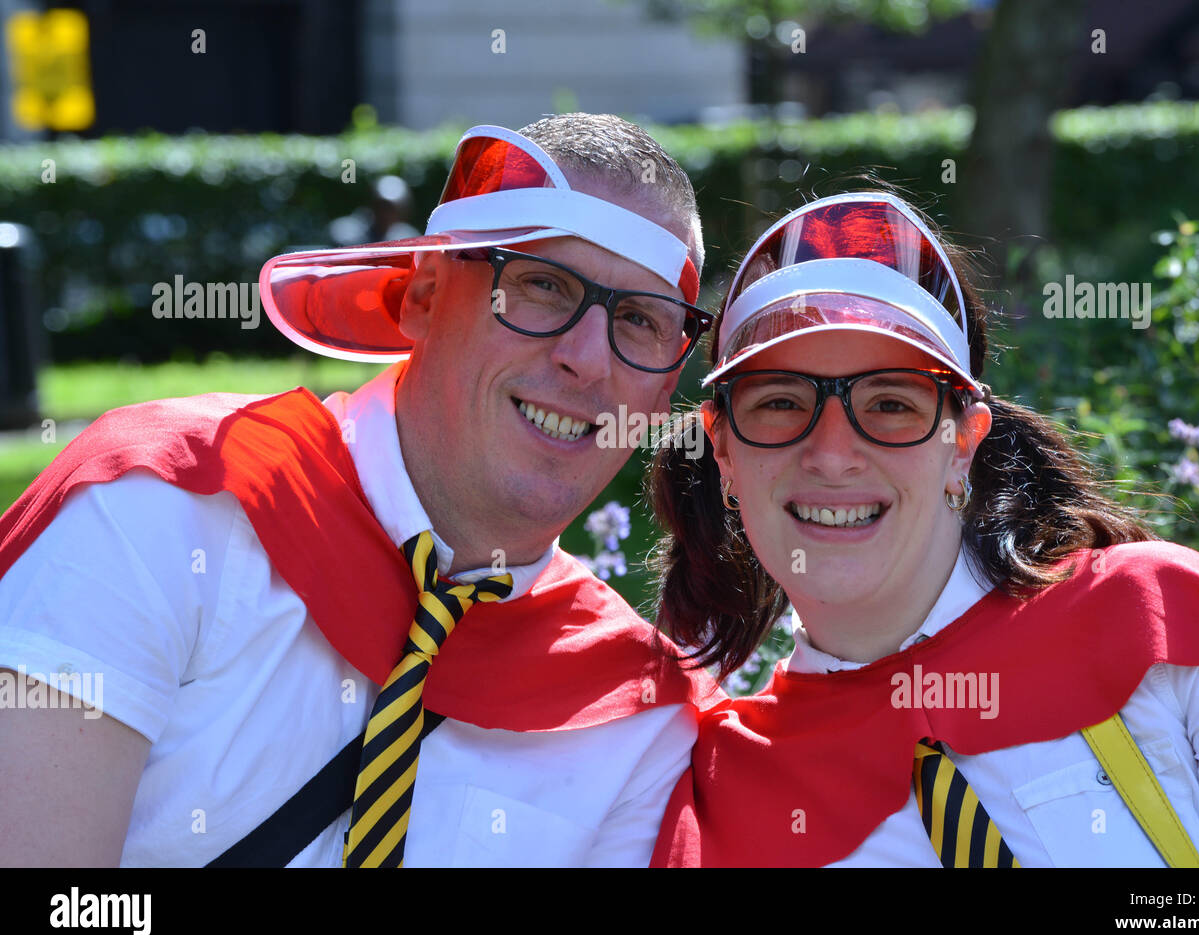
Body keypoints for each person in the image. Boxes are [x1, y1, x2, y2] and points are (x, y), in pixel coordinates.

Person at [0, 114, 717, 867]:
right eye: (542, 285)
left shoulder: (635, 715)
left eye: (639, 320)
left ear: (669, 379)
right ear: (424, 297)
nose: (585, 360)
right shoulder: (161, 506)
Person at [647, 190, 1199, 867]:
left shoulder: (1159, 617)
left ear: (963, 442)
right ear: (723, 450)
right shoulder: (725, 795)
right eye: (781, 402)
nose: (833, 453)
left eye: (891, 403)